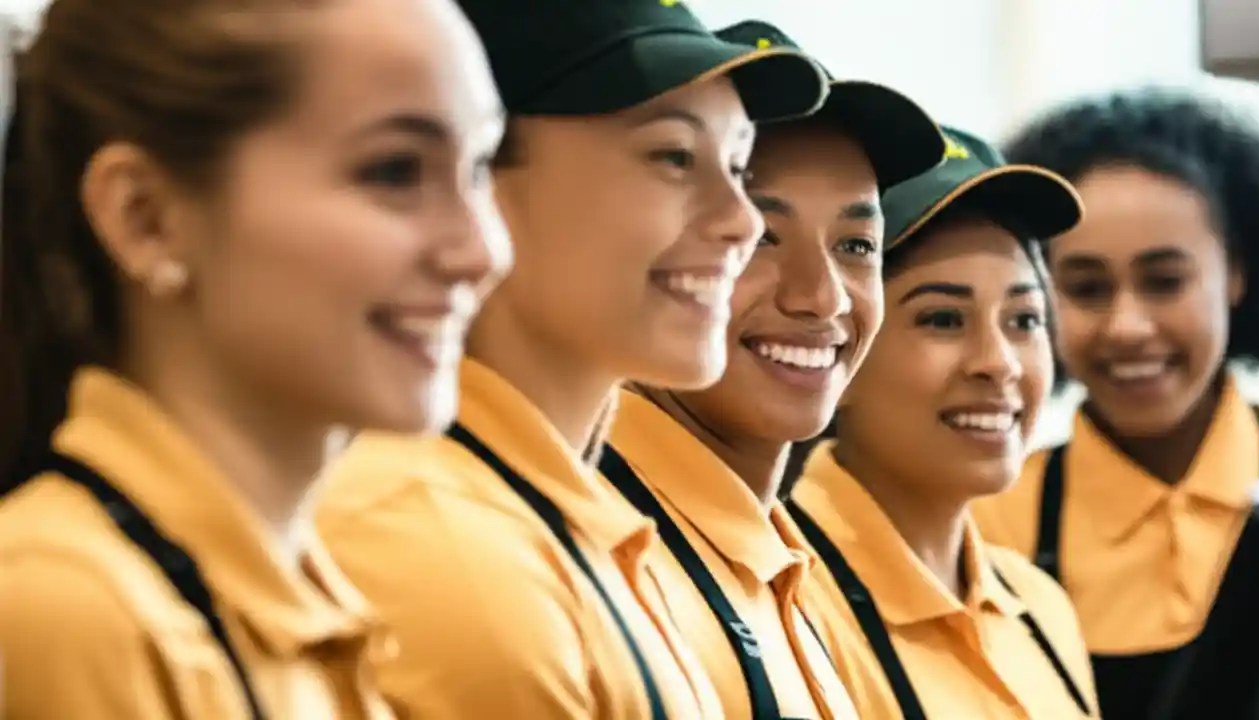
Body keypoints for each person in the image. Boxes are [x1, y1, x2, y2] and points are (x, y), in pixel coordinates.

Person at [312, 2, 830, 718]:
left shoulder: (580, 525)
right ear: (477, 177)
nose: (741, 220)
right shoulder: (446, 551)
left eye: (738, 165)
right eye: (674, 157)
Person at [0, 0, 510, 716]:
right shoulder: (67, 610)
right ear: (145, 216)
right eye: (395, 170)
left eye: (480, 165)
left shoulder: (297, 596)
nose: (483, 251)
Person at [596, 19, 944, 720]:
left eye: (855, 244)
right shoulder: (606, 552)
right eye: (759, 236)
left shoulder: (787, 562)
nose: (820, 298)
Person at [971, 88, 1259, 719]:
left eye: (1165, 281)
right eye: (1086, 287)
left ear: (1238, 273)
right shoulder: (989, 524)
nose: (1128, 326)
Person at [787, 126, 1098, 718]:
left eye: (1025, 320)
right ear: (839, 342)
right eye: (943, 320)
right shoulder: (784, 600)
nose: (998, 363)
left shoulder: (1038, 607)